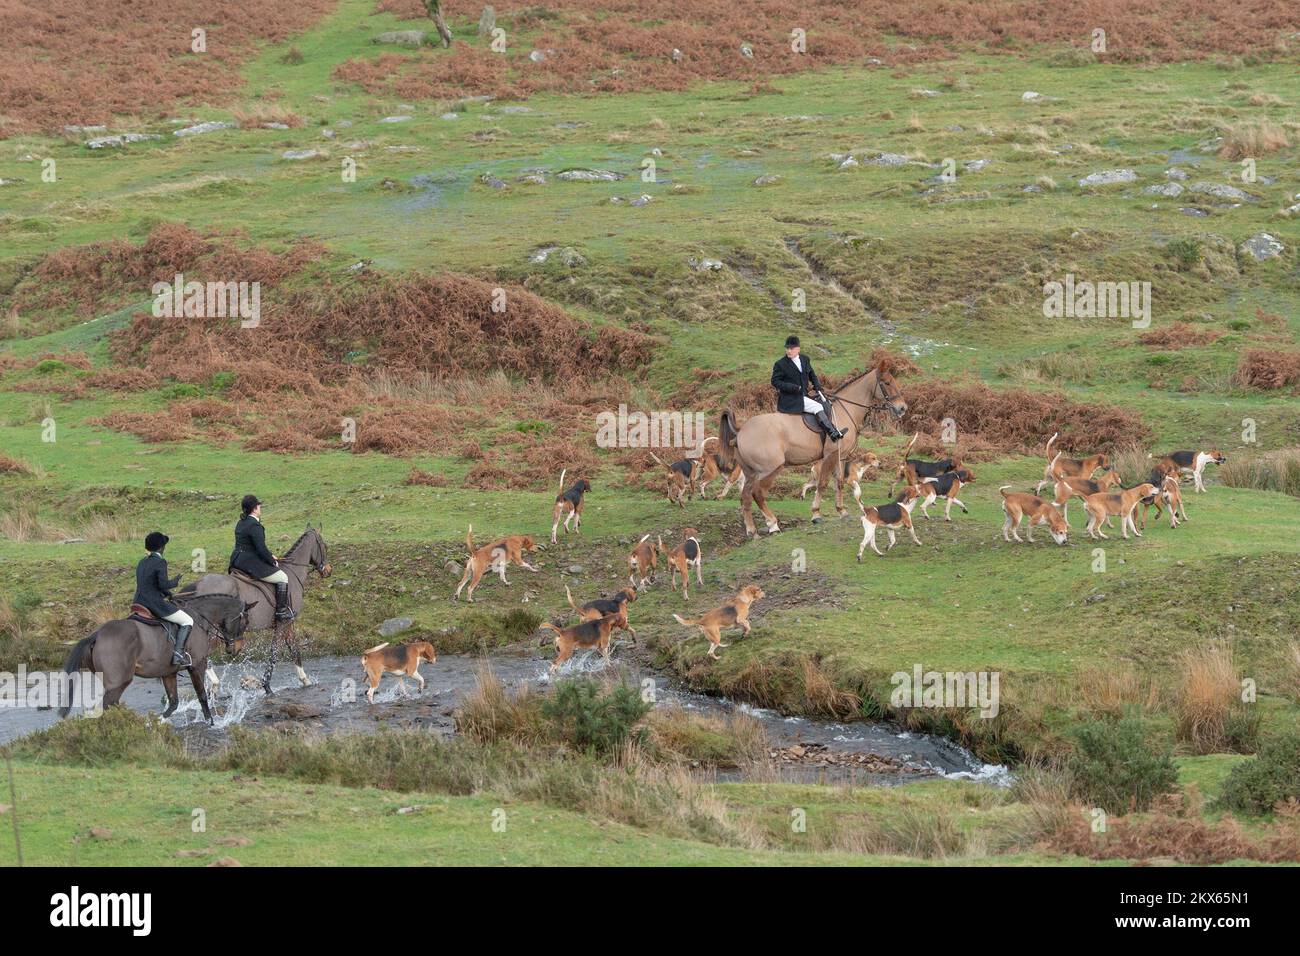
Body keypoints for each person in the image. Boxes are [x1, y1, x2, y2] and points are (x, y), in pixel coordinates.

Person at [230, 495, 294, 622]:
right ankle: (281, 612)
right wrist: (272, 561)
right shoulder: (255, 526)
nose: (260, 508)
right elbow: (260, 549)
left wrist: (270, 554)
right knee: (283, 577)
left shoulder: (241, 522)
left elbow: (252, 545)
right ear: (254, 509)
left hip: (237, 560)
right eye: (259, 506)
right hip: (249, 562)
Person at [134, 532, 192, 665]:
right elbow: (162, 584)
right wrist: (174, 582)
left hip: (138, 602)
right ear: (161, 547)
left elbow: (150, 583)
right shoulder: (160, 561)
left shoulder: (142, 562)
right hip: (153, 604)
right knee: (187, 621)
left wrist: (168, 593)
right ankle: (178, 654)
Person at [771, 335, 844, 441]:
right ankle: (832, 433)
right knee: (817, 407)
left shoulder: (805, 359)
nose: (789, 351)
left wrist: (818, 387)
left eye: (791, 348)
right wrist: (792, 387)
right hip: (790, 399)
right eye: (787, 348)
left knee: (825, 403)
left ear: (798, 349)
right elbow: (775, 381)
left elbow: (811, 374)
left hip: (803, 396)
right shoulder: (780, 364)